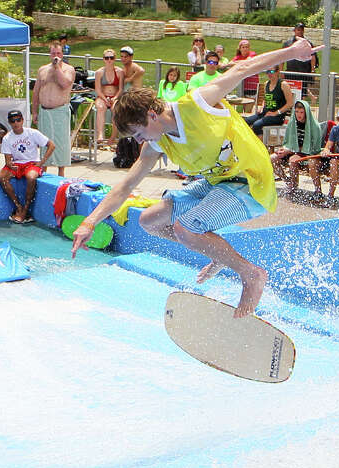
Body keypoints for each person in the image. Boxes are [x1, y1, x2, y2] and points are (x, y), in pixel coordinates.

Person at [72, 37, 323, 317]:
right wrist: (90, 222)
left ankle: (250, 274)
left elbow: (242, 69)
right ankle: (218, 253)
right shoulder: (157, 142)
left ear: (152, 114)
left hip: (251, 181)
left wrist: (291, 51)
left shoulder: (197, 103)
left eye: (138, 132)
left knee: (185, 228)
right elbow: (127, 184)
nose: (139, 140)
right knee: (149, 220)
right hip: (219, 183)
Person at [0, 109, 54, 224]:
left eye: (18, 120)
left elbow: (51, 145)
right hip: (17, 164)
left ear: (22, 120)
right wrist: (10, 165)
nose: (16, 123)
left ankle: (26, 208)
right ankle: (18, 206)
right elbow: (8, 160)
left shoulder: (32, 133)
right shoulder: (7, 138)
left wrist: (41, 162)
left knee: (31, 177)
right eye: (13, 121)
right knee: (2, 177)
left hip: (32, 163)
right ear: (9, 123)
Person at [32, 43, 75, 176]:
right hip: (44, 111)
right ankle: (43, 172)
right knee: (44, 143)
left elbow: (64, 84)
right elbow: (36, 91)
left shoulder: (69, 69)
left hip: (60, 111)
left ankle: (60, 174)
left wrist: (57, 67)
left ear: (62, 55)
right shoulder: (42, 70)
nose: (56, 56)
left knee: (61, 144)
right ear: (49, 54)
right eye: (53, 54)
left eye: (58, 54)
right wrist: (34, 111)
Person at [270, 98, 323, 195]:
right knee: (272, 158)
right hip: (292, 151)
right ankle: (288, 182)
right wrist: (285, 149)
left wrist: (293, 151)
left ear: (306, 112)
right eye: (297, 112)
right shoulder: (292, 123)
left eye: (301, 112)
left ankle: (298, 187)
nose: (299, 115)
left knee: (293, 161)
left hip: (308, 153)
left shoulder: (314, 126)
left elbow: (314, 148)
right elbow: (288, 142)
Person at [244, 66, 295, 135]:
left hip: (277, 116)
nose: (269, 74)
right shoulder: (266, 84)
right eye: (267, 72)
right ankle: (252, 142)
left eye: (271, 72)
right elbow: (266, 99)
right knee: (245, 121)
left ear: (277, 72)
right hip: (265, 113)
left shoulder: (283, 85)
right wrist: (262, 107)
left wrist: (276, 113)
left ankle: (261, 144)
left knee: (256, 125)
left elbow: (290, 103)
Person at [93, 49, 124, 145]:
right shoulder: (99, 72)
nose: (109, 60)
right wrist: (104, 98)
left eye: (111, 58)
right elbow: (97, 89)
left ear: (115, 59)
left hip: (115, 96)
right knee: (100, 107)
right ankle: (100, 134)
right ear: (103, 59)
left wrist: (115, 98)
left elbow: (121, 89)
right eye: (107, 58)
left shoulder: (119, 72)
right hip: (102, 96)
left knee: (116, 109)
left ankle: (113, 136)